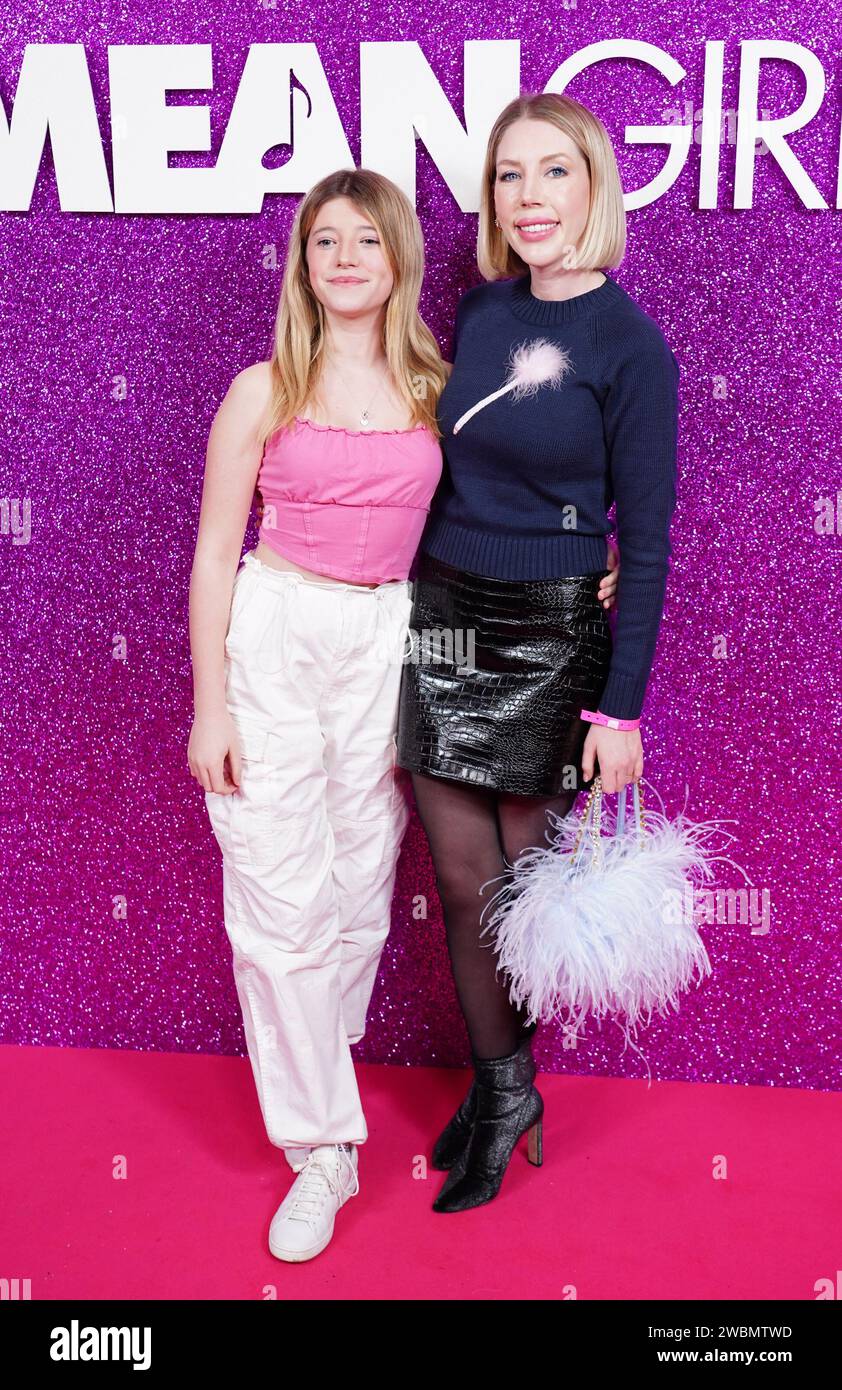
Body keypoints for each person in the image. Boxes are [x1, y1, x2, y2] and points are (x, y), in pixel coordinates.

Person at [396, 92, 681, 1213]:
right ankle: (502, 1086)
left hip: (553, 633)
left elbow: (647, 543)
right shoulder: (473, 315)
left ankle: (508, 1093)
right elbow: (434, 474)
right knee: (461, 882)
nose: (528, 199)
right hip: (445, 618)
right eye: (509, 177)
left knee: (517, 889)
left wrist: (619, 712)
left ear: (592, 186)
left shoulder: (631, 345)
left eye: (551, 173)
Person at [187, 168, 449, 1262]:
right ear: (302, 263)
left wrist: (591, 574)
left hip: (386, 638)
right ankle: (324, 1146)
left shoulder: (437, 384)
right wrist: (211, 705)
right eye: (322, 241)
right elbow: (211, 549)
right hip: (277, 631)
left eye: (362, 240)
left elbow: (502, 514)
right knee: (277, 888)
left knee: (356, 886)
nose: (342, 257)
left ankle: (313, 1049)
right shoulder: (262, 387)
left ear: (397, 258)